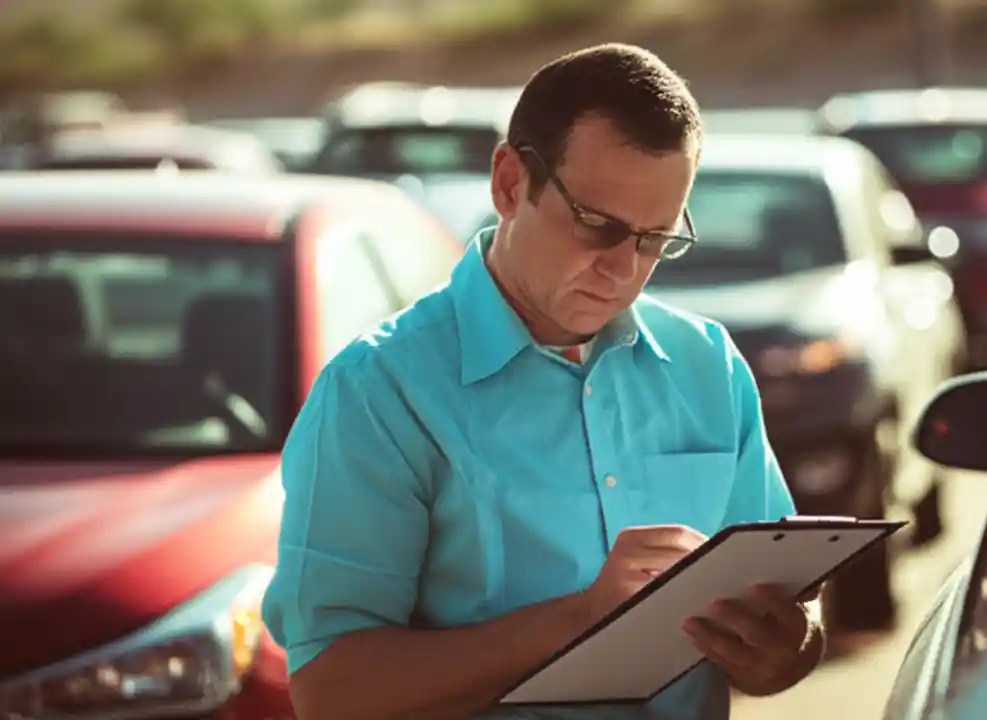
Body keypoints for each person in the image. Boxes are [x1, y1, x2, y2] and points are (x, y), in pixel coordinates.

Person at [262, 43, 825, 720]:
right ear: (508, 183)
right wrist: (579, 620)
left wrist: (789, 648)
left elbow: (792, 604)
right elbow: (331, 693)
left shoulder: (707, 363)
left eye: (655, 239)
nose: (622, 269)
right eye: (597, 225)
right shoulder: (378, 392)